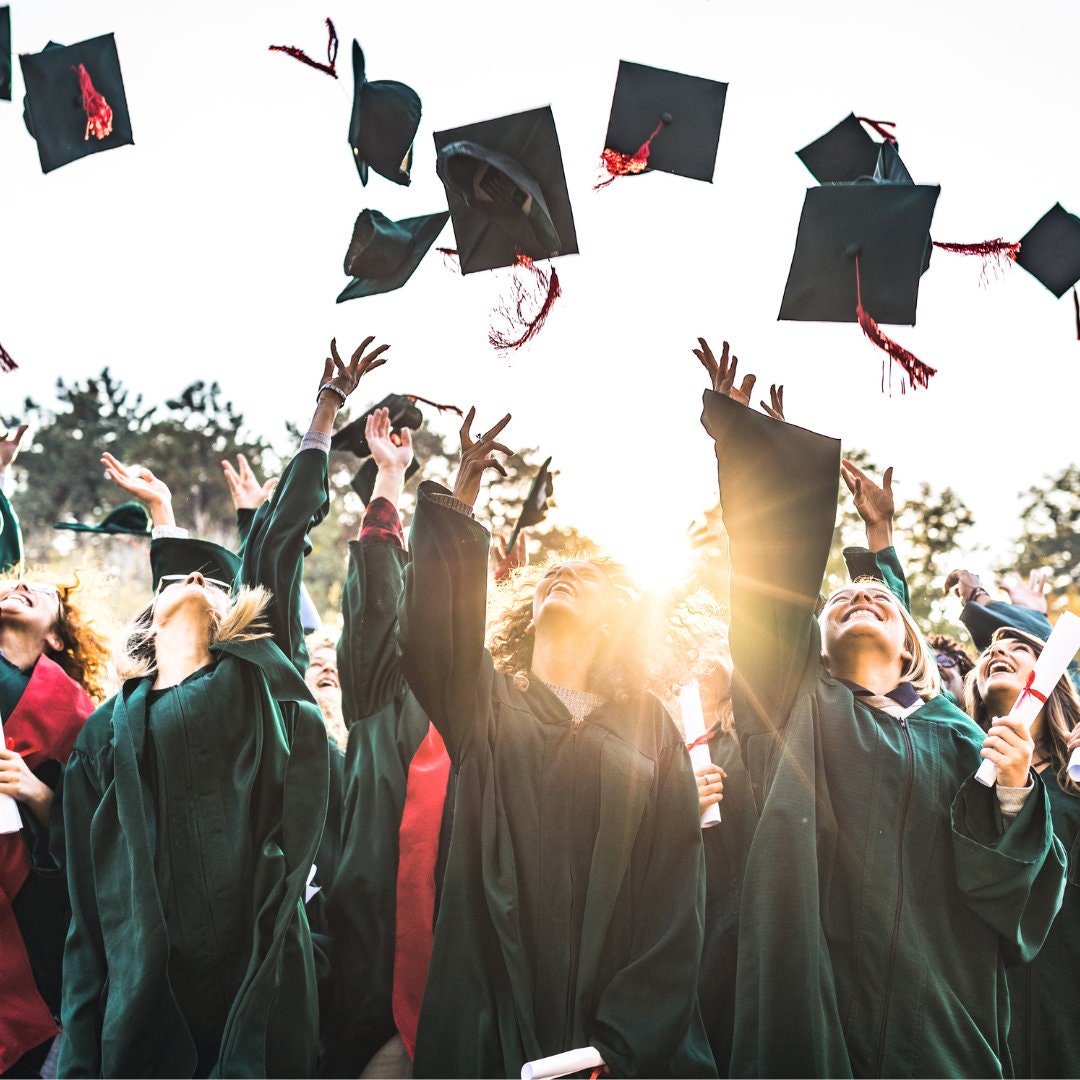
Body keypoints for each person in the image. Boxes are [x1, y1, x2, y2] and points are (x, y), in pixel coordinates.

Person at [694, 336, 1066, 1078]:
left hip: (943, 1026)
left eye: (877, 598)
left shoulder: (956, 734)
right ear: (815, 647)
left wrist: (1020, 788)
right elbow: (770, 584)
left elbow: (1015, 902)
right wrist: (749, 454)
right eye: (837, 600)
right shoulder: (794, 705)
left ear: (910, 649)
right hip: (814, 1017)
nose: (858, 594)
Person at [57, 337, 388, 1078]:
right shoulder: (105, 734)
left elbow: (274, 550)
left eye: (217, 581)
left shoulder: (256, 689)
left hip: (262, 993)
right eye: (183, 578)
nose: (200, 581)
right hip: (147, 997)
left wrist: (324, 415)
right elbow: (88, 912)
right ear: (149, 613)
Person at [397, 408, 715, 1078]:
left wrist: (622, 1041)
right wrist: (463, 497)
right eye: (548, 576)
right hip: (495, 999)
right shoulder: (484, 701)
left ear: (613, 624)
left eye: (583, 576)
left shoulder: (647, 724)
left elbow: (674, 886)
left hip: (617, 1025)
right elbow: (432, 631)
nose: (559, 577)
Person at [0, 425, 110, 1078]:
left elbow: (101, 832)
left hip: (28, 937)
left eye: (35, 593)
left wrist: (35, 791)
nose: (16, 587)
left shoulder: (78, 716)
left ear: (60, 638)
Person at [966, 625, 1080, 1078]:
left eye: (1020, 648)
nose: (997, 651)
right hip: (983, 1003)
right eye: (991, 650)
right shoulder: (956, 773)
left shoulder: (1074, 781)